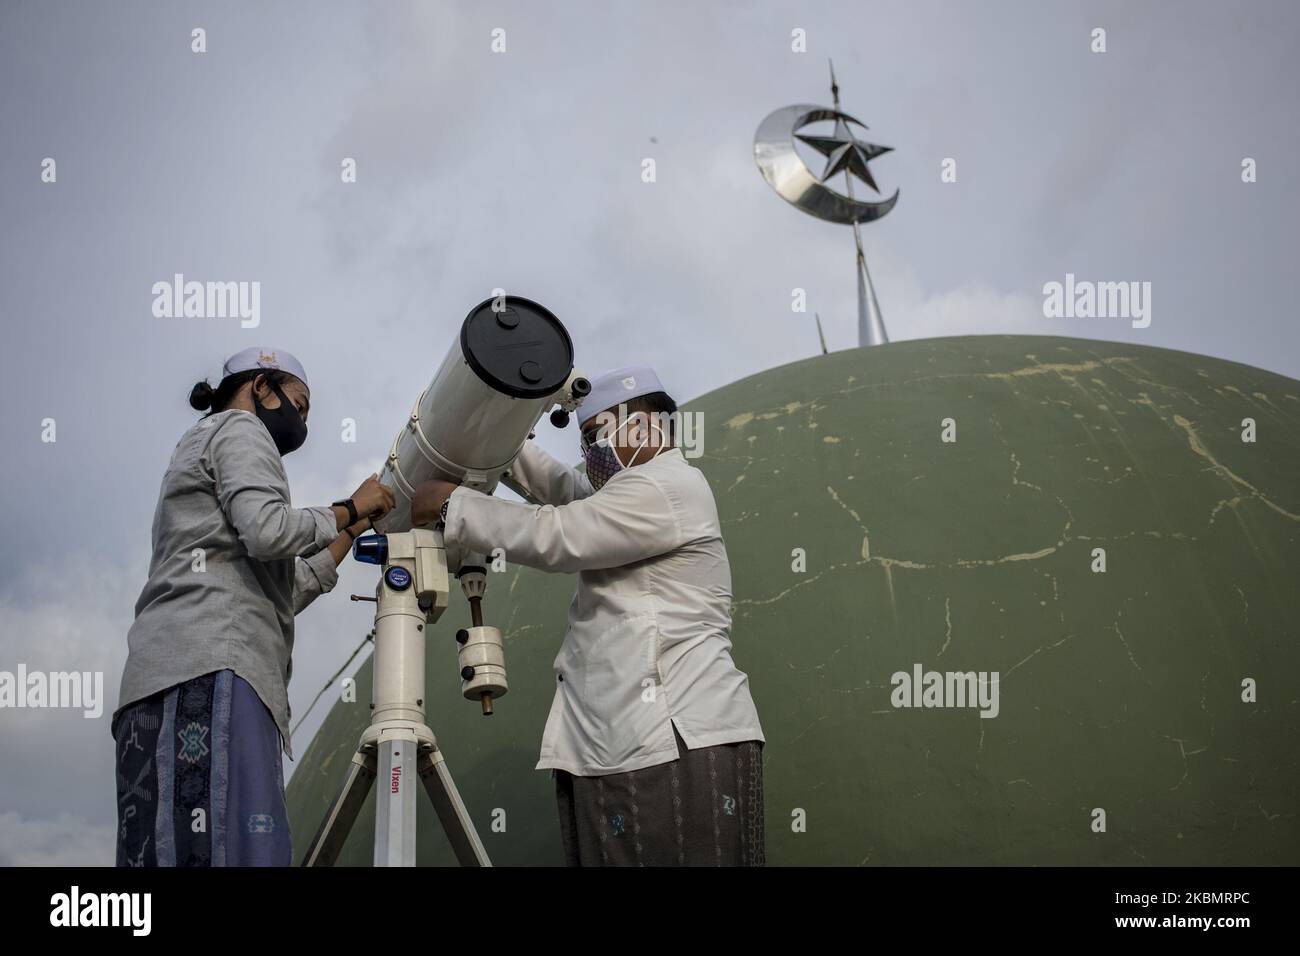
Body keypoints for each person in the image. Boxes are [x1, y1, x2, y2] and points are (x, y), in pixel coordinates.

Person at [410, 366, 766, 866]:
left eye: (598, 434)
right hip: (627, 743)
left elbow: (560, 534)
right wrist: (499, 441)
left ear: (644, 425)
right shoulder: (632, 495)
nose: (591, 450)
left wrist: (453, 507)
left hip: (675, 739)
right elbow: (569, 492)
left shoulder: (664, 487)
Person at [111, 347, 395, 866]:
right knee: (233, 850)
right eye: (300, 403)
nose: (302, 421)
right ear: (261, 388)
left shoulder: (201, 445)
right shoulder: (240, 430)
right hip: (209, 670)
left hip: (182, 671)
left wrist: (351, 527)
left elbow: (280, 590)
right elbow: (270, 530)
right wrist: (351, 505)